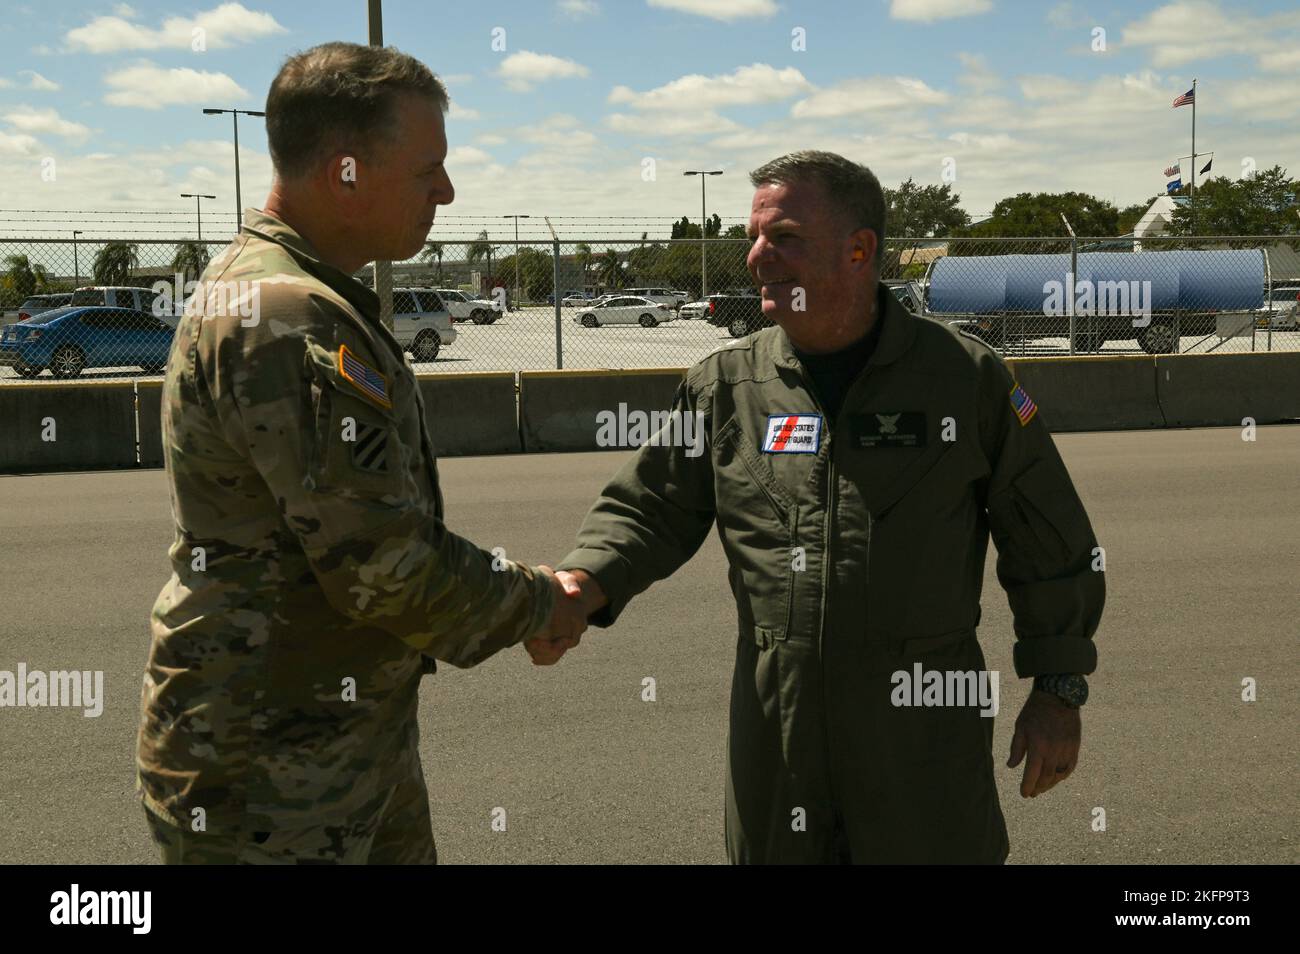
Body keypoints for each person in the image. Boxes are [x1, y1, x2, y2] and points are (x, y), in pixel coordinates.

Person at [552, 150, 1105, 864]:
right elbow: (650, 507)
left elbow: (1052, 543)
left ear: (859, 250)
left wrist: (1058, 689)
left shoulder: (964, 380)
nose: (757, 258)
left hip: (923, 748)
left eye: (784, 238)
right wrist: (580, 583)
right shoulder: (726, 386)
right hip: (777, 752)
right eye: (754, 237)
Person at [136, 41, 585, 865]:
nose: (446, 192)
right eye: (427, 171)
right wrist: (537, 604)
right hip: (268, 778)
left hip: (331, 749)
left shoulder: (299, 292)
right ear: (345, 172)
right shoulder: (283, 313)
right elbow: (384, 566)